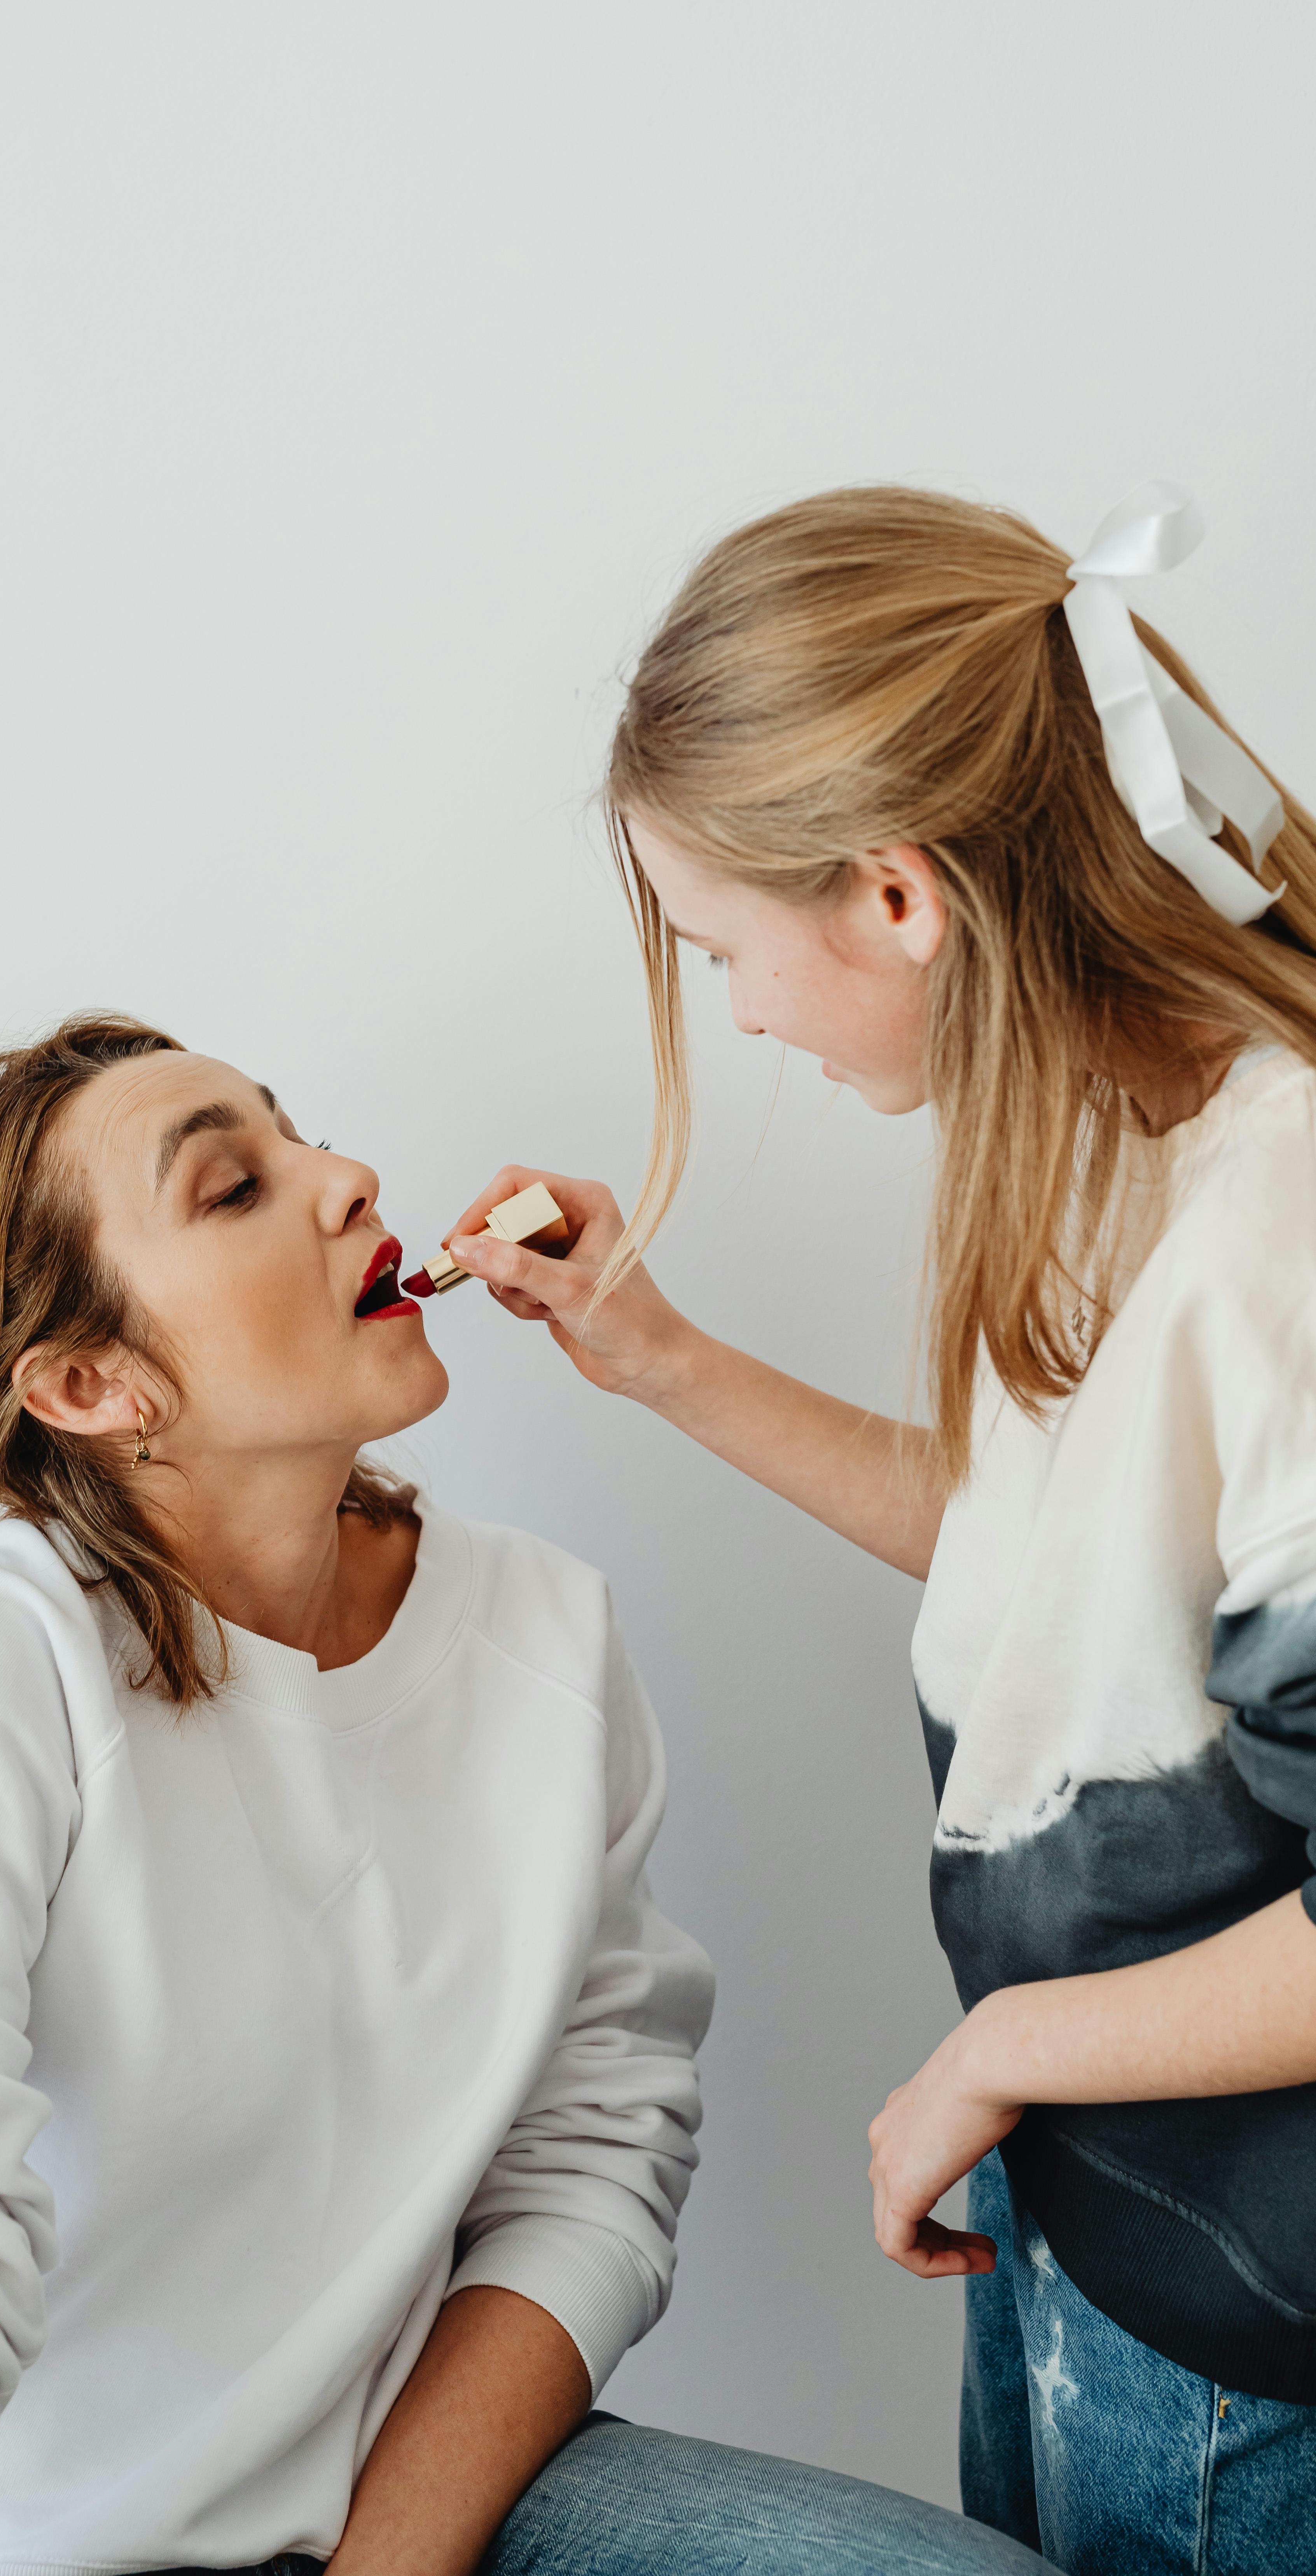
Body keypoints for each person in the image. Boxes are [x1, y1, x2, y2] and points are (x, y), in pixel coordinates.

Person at [0, 1014, 1043, 2576]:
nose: (347, 1180)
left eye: (298, 1136)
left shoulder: (544, 1631)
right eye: (229, 1188)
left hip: (440, 2488)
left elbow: (592, 2160)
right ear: (89, 1380)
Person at [438, 483, 1316, 2576]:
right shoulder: (1120, 1110)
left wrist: (1001, 2050)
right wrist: (657, 1358)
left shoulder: (1283, 1243)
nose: (737, 1011)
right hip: (1096, 2192)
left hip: (1242, 2331)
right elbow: (1062, 1584)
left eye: (732, 948)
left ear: (899, 900)